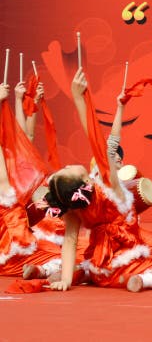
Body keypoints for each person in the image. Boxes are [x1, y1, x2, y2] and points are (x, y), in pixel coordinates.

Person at [44, 69, 152, 292]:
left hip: (100, 268)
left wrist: (66, 282)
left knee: (87, 267)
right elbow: (98, 138)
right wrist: (80, 98)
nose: (68, 164)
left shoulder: (74, 206)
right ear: (82, 182)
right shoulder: (107, 184)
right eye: (67, 169)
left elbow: (70, 242)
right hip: (127, 262)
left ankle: (63, 273)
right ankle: (147, 281)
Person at [0, 83, 63, 280]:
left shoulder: (14, 164)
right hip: (10, 247)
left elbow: (25, 137)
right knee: (67, 258)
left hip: (16, 240)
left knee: (59, 253)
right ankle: (42, 270)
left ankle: (40, 270)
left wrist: (21, 101)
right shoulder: (6, 175)